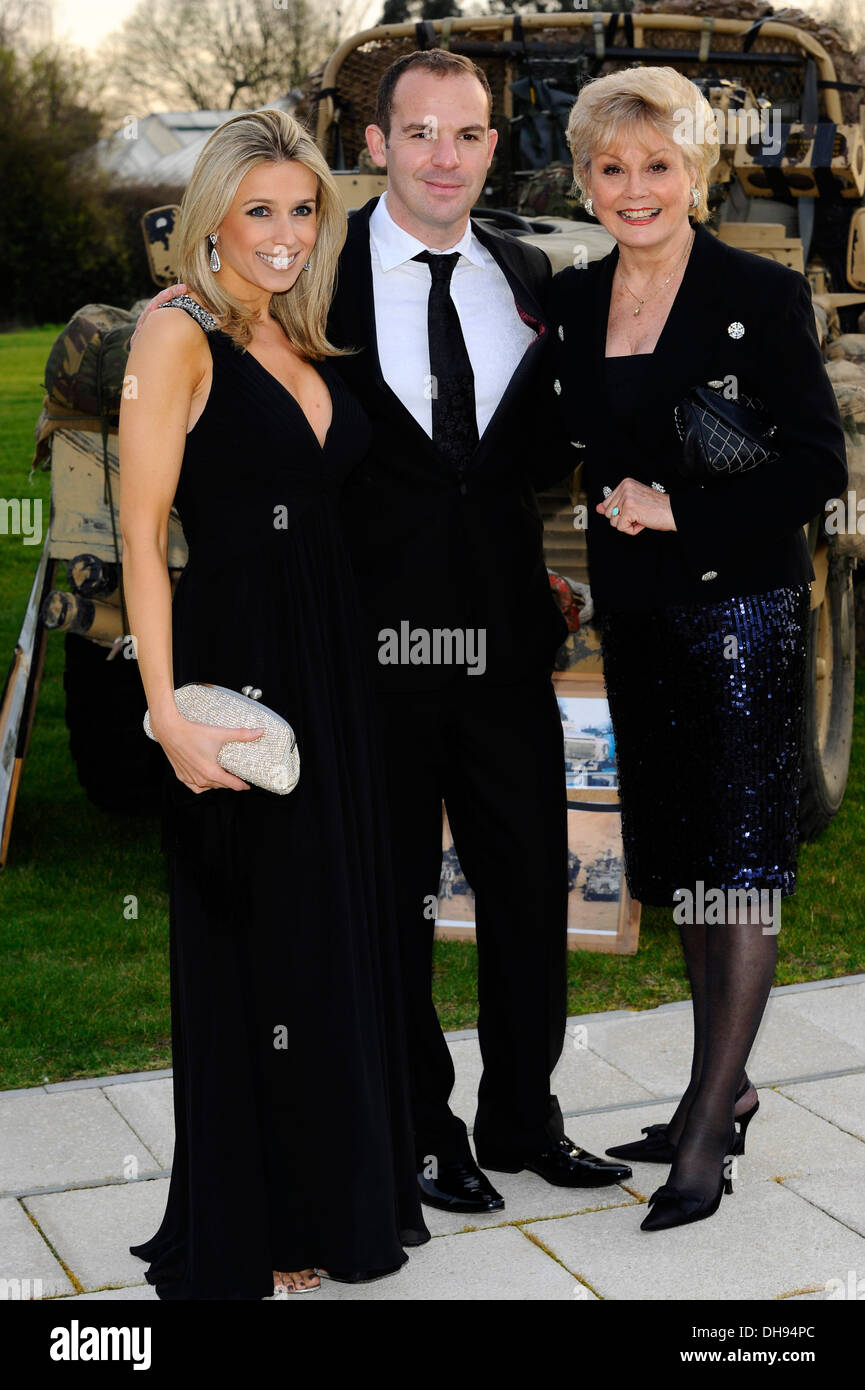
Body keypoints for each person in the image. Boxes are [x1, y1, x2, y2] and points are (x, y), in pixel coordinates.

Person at [141, 50, 632, 1216]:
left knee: (527, 892)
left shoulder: (530, 277)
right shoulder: (313, 275)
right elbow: (232, 406)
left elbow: (545, 450)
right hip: (367, 655)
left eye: (467, 135)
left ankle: (528, 1116)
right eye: (419, 134)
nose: (444, 158)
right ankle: (423, 1129)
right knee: (394, 900)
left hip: (511, 646)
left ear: (491, 147)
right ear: (376, 146)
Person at [119, 107, 428, 1299]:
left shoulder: (298, 328)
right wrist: (167, 714)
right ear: (213, 217)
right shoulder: (176, 332)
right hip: (235, 680)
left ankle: (333, 1203)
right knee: (259, 946)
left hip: (333, 669)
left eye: (304, 210)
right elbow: (144, 540)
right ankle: (262, 1227)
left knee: (329, 938)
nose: (287, 232)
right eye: (261, 211)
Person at [549, 65, 847, 1230]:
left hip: (739, 614)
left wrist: (683, 509)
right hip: (636, 615)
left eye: (657, 165)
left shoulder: (757, 296)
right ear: (584, 179)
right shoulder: (573, 302)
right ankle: (712, 1091)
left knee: (739, 865)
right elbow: (563, 438)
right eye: (610, 169)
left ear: (696, 171)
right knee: (682, 863)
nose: (634, 189)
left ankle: (708, 1128)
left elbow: (817, 467)